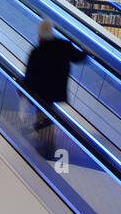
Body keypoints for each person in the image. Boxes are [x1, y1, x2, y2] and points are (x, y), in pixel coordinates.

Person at [23, 19, 87, 160]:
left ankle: (47, 147)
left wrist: (23, 90)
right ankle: (44, 137)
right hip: (57, 89)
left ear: (39, 34)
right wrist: (87, 50)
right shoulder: (64, 45)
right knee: (46, 114)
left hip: (41, 91)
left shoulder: (37, 52)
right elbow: (78, 58)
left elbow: (29, 74)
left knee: (43, 115)